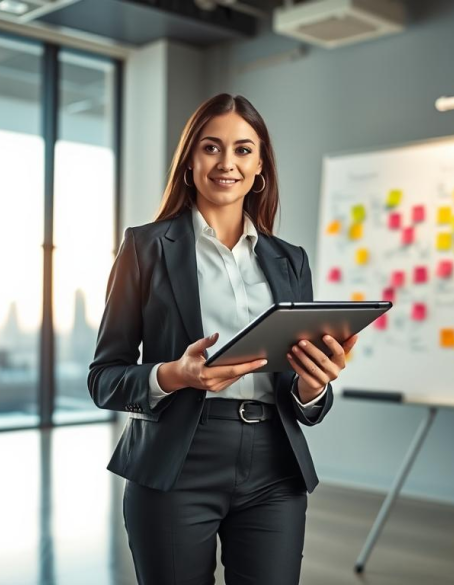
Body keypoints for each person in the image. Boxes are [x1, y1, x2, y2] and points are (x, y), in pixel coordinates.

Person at [88, 93, 359, 585]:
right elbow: (104, 379)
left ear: (260, 167)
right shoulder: (145, 247)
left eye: (243, 150)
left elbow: (299, 394)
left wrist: (313, 385)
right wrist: (175, 374)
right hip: (176, 463)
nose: (227, 163)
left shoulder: (290, 259)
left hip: (275, 466)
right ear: (190, 161)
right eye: (212, 148)